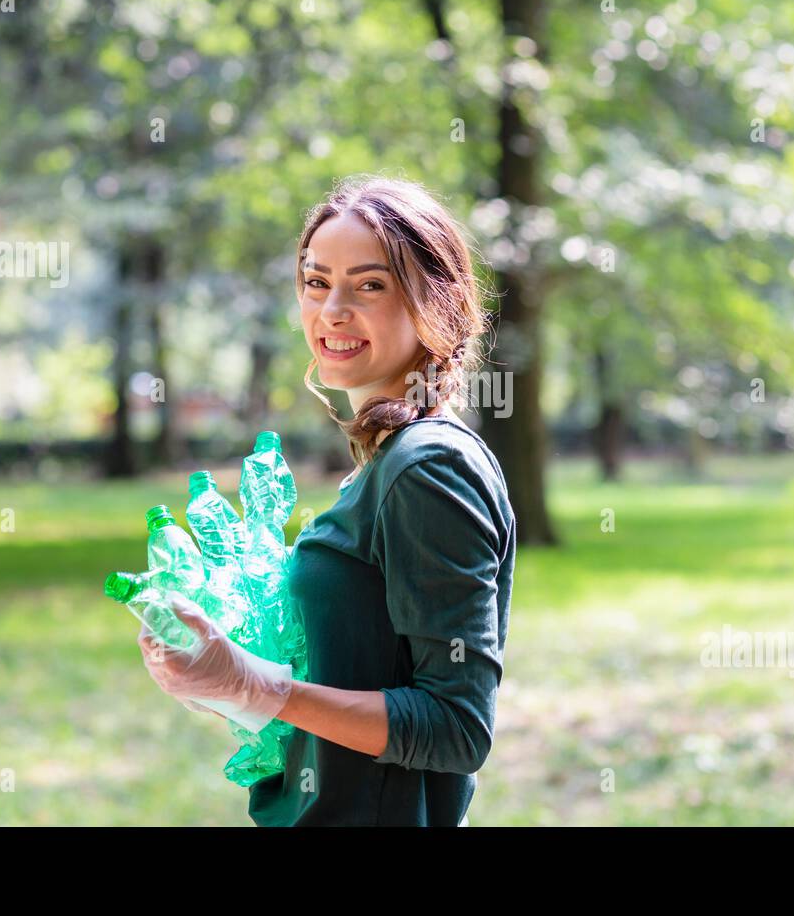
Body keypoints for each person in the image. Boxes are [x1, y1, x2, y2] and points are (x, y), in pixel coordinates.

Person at [138, 174, 516, 826]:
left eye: (369, 285)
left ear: (438, 305)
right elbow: (347, 675)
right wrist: (221, 675)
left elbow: (457, 727)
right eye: (317, 282)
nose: (332, 309)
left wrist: (260, 686)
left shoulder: (429, 469)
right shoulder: (386, 461)